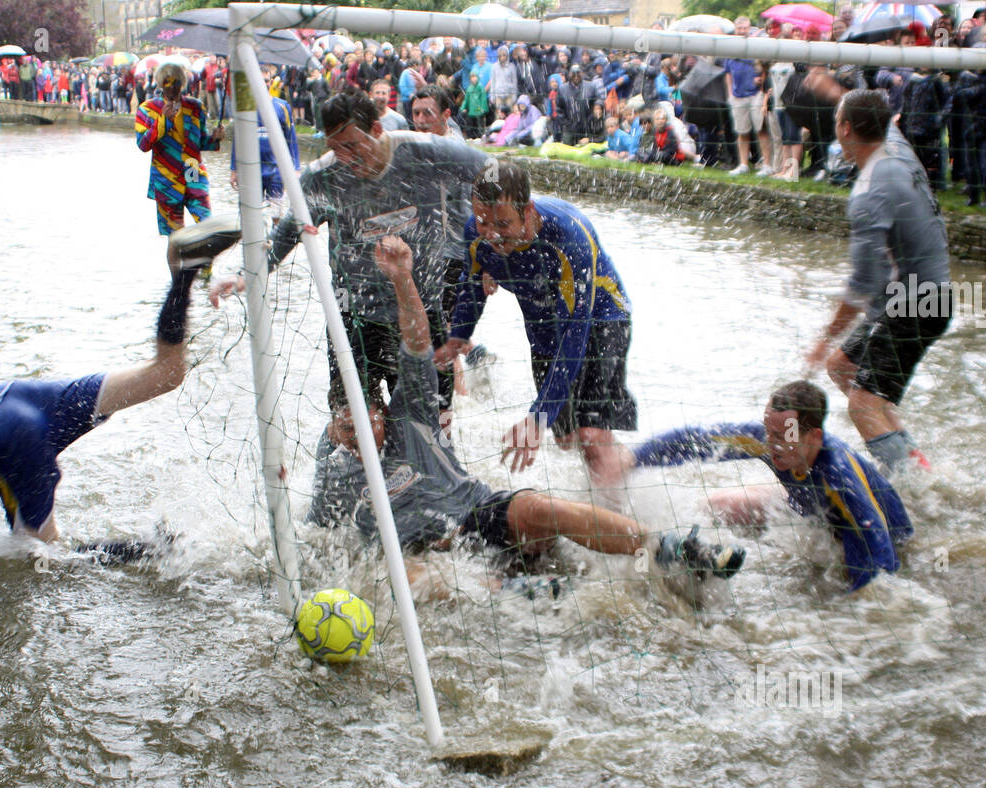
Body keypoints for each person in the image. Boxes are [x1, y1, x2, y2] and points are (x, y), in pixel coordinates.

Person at [310, 235, 745, 589]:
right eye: (346, 426)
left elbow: (418, 342)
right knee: (408, 575)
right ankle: (514, 594)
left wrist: (403, 278)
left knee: (539, 507)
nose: (358, 433)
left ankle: (660, 547)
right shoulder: (332, 468)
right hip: (429, 555)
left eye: (366, 420)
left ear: (383, 412)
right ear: (333, 425)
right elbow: (317, 533)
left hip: (476, 515)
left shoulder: (413, 414)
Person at [0, 222, 242, 550]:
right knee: (164, 375)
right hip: (36, 398)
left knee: (47, 556)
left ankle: (158, 550)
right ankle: (184, 273)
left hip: (10, 432)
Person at [207, 89, 491, 415]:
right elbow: (286, 232)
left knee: (433, 430)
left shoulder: (426, 152)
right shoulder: (321, 177)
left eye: (352, 145)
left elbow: (494, 172)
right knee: (358, 427)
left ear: (376, 129)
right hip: (354, 319)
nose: (345, 157)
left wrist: (490, 249)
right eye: (335, 147)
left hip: (420, 314)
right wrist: (248, 274)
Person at [435, 160, 637, 487]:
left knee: (589, 435)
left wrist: (537, 416)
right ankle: (629, 464)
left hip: (600, 319)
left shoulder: (568, 237)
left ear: (527, 211)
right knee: (567, 438)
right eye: (483, 221)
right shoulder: (476, 232)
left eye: (502, 223)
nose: (491, 234)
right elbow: (472, 286)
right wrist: (458, 336)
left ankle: (617, 527)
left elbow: (576, 335)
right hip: (543, 326)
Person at [626, 381, 912, 592]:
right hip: (809, 507)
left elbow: (878, 555)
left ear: (814, 437)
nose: (771, 443)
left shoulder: (839, 477)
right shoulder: (770, 440)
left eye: (782, 436)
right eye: (768, 431)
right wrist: (634, 458)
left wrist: (860, 602)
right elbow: (698, 440)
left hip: (870, 530)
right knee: (719, 505)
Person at [803, 90, 951, 474]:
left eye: (837, 120)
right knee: (842, 369)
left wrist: (824, 338)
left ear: (846, 129)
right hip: (918, 297)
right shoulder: (897, 148)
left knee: (862, 403)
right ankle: (915, 462)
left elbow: (863, 282)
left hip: (915, 301)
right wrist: (836, 89)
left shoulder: (869, 191)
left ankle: (912, 491)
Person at [135, 62, 224, 247]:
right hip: (166, 180)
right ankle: (180, 276)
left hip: (193, 172)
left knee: (208, 226)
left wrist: (215, 139)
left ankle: (206, 271)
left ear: (182, 84)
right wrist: (163, 121)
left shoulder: (195, 107)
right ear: (160, 84)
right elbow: (143, 145)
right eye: (167, 83)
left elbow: (199, 142)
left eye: (176, 83)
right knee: (176, 239)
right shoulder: (147, 109)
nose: (172, 88)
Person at [229, 89, 299, 202]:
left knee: (276, 212)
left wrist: (295, 168)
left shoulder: (282, 106)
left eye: (266, 80)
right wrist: (234, 168)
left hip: (276, 170)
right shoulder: (244, 106)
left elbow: (291, 137)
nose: (263, 83)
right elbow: (237, 139)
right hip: (252, 169)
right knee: (252, 213)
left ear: (271, 82)